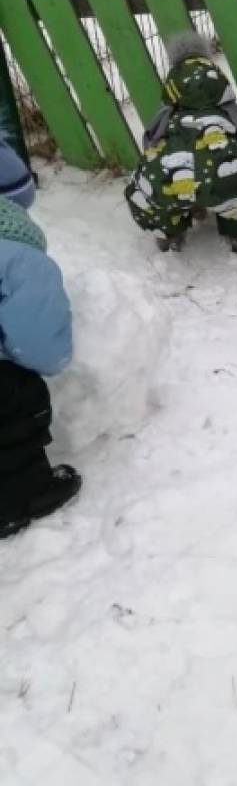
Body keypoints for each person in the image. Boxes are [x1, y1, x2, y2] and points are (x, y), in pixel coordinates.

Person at [0, 138, 81, 539]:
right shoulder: (20, 257)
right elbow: (38, 341)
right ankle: (20, 499)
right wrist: (53, 361)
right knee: (17, 405)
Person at [125, 32, 237, 253]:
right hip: (222, 178)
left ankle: (169, 234)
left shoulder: (167, 112)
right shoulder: (230, 110)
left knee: (153, 189)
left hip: (170, 180)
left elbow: (150, 140)